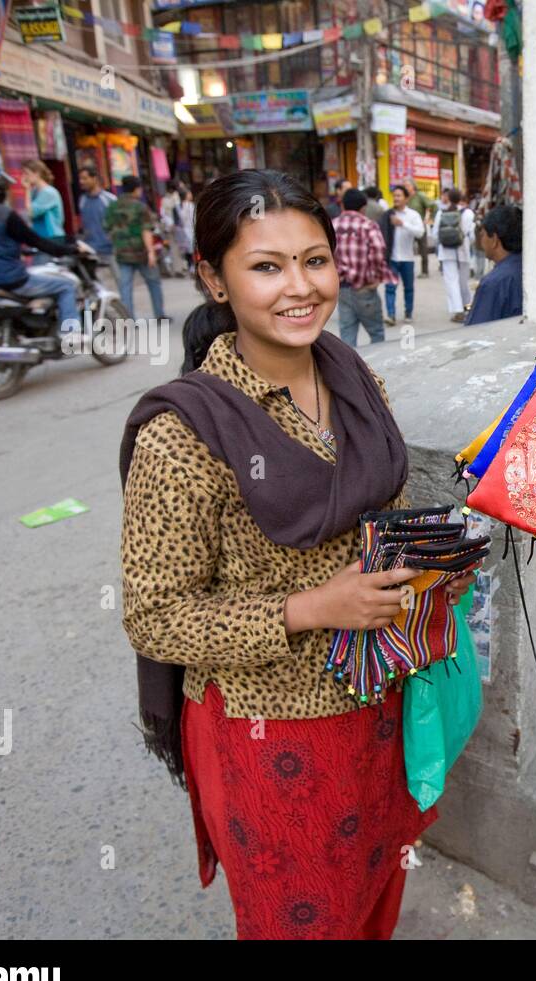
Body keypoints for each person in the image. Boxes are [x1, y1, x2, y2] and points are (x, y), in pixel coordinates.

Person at [119, 169, 475, 940]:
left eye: (315, 261)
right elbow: (154, 619)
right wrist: (311, 608)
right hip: (272, 736)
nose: (300, 288)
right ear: (214, 278)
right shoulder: (185, 435)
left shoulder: (353, 378)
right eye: (266, 266)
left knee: (373, 897)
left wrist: (433, 558)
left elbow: (374, 518)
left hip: (381, 705)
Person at [0, 165, 90, 349]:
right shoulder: (5, 214)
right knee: (66, 285)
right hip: (9, 278)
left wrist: (16, 249)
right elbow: (37, 242)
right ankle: (70, 335)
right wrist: (69, 249)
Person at [332, 187, 390, 347]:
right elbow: (379, 251)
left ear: (342, 206)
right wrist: (374, 277)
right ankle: (378, 369)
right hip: (364, 287)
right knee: (377, 333)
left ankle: (349, 370)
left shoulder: (332, 225)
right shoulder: (369, 225)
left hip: (342, 288)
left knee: (347, 335)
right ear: (363, 208)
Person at [105, 174, 166, 320]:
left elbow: (107, 228)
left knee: (125, 287)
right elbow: (146, 230)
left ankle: (128, 319)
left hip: (122, 253)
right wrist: (151, 252)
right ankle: (159, 315)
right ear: (137, 189)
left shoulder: (112, 206)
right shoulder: (140, 207)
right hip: (141, 253)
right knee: (153, 283)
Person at [464, 204, 522, 326]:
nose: (481, 240)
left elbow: (474, 332)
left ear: (494, 239)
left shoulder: (494, 283)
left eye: (483, 235)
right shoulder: (528, 269)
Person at [381, 184, 424, 325]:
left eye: (399, 196)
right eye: (394, 196)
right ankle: (391, 316)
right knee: (390, 287)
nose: (396, 198)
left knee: (409, 288)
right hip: (392, 258)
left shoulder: (413, 215)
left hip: (407, 259)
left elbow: (420, 232)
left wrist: (403, 224)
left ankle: (408, 313)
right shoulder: (388, 214)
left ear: (406, 198)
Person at [434, 187, 475, 322]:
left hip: (446, 252)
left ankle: (457, 311)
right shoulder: (468, 213)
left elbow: (435, 235)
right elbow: (472, 235)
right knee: (463, 282)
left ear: (449, 198)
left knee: (451, 282)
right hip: (463, 252)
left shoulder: (441, 212)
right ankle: (468, 308)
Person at [77, 166, 118, 292]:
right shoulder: (82, 200)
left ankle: (126, 311)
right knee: (94, 288)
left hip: (111, 250)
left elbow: (119, 223)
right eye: (80, 179)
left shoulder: (109, 199)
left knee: (121, 282)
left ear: (94, 178)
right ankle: (97, 312)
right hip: (91, 251)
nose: (81, 182)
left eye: (85, 178)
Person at [19, 160, 66, 266]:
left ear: (37, 173)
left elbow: (31, 212)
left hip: (51, 237)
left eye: (27, 173)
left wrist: (26, 190)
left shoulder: (48, 192)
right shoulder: (36, 192)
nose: (24, 177)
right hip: (41, 237)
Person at [403, 178, 433, 279]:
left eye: (407, 185)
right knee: (406, 248)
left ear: (413, 186)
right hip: (407, 226)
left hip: (419, 225)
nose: (405, 187)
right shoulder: (405, 197)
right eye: (404, 185)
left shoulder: (420, 196)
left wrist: (427, 218)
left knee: (423, 249)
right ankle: (406, 270)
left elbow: (430, 206)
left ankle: (425, 271)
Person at [173, 187, 196, 274]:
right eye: (189, 193)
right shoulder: (190, 205)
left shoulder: (177, 207)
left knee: (186, 250)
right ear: (186, 195)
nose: (191, 195)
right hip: (190, 229)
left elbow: (176, 221)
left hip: (182, 231)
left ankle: (189, 266)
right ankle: (193, 266)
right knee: (192, 249)